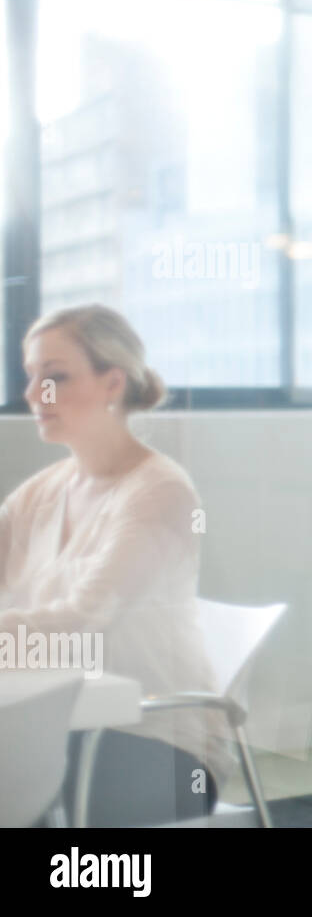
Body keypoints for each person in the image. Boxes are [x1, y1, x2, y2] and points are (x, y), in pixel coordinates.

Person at [0, 304, 232, 825]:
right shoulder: (44, 492)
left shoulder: (160, 492)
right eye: (32, 377)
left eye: (56, 376)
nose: (35, 394)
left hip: (155, 740)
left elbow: (81, 623)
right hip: (66, 725)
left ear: (112, 383)